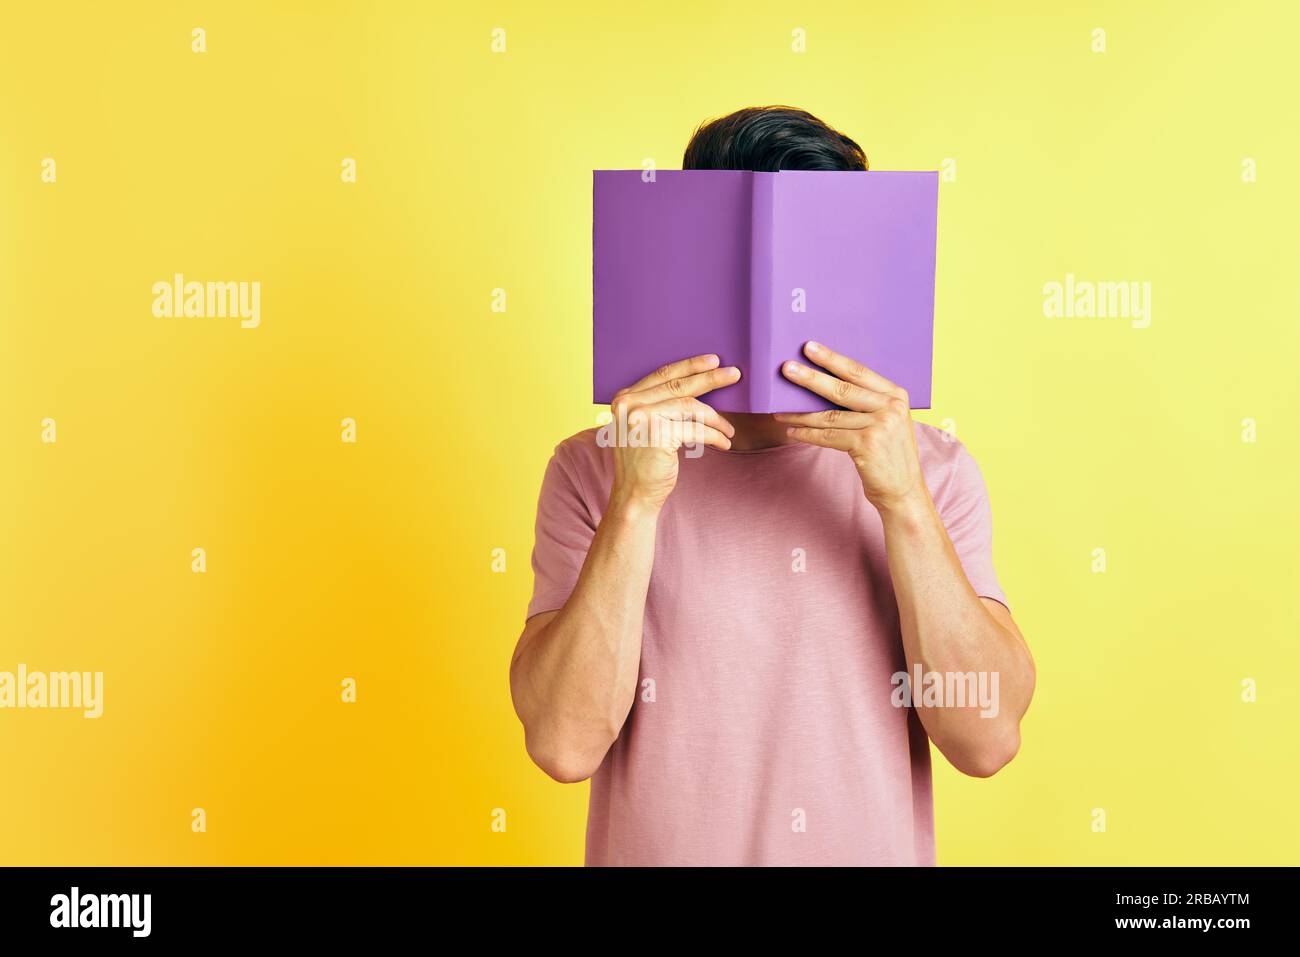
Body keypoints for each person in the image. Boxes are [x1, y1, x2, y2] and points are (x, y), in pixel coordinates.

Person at [509, 106, 1036, 866]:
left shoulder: (932, 469)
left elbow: (985, 741)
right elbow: (563, 745)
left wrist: (903, 502)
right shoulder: (594, 469)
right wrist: (635, 503)